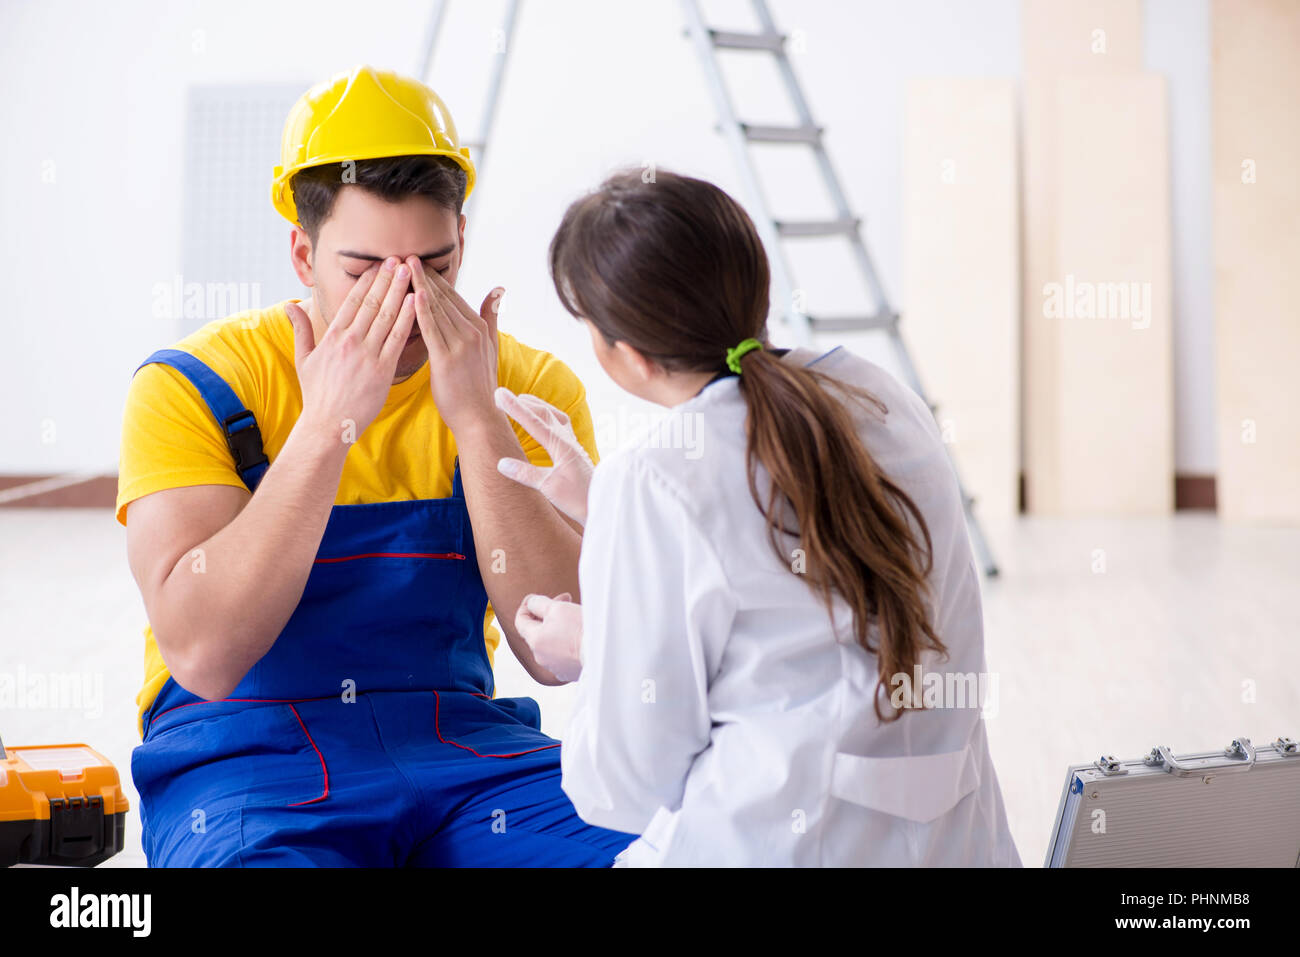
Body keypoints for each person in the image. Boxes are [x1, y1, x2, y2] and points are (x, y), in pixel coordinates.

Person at [117, 65, 636, 866]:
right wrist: (327, 426)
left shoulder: (527, 388)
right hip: (243, 763)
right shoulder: (194, 387)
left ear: (463, 240)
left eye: (436, 266)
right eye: (364, 274)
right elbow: (206, 655)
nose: (407, 304)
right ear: (302, 253)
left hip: (464, 751)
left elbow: (555, 650)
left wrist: (476, 418)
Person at [498, 169, 1022, 866]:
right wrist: (608, 513)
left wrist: (601, 649)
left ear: (620, 352)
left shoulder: (655, 477)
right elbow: (795, 582)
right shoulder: (878, 393)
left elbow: (620, 787)